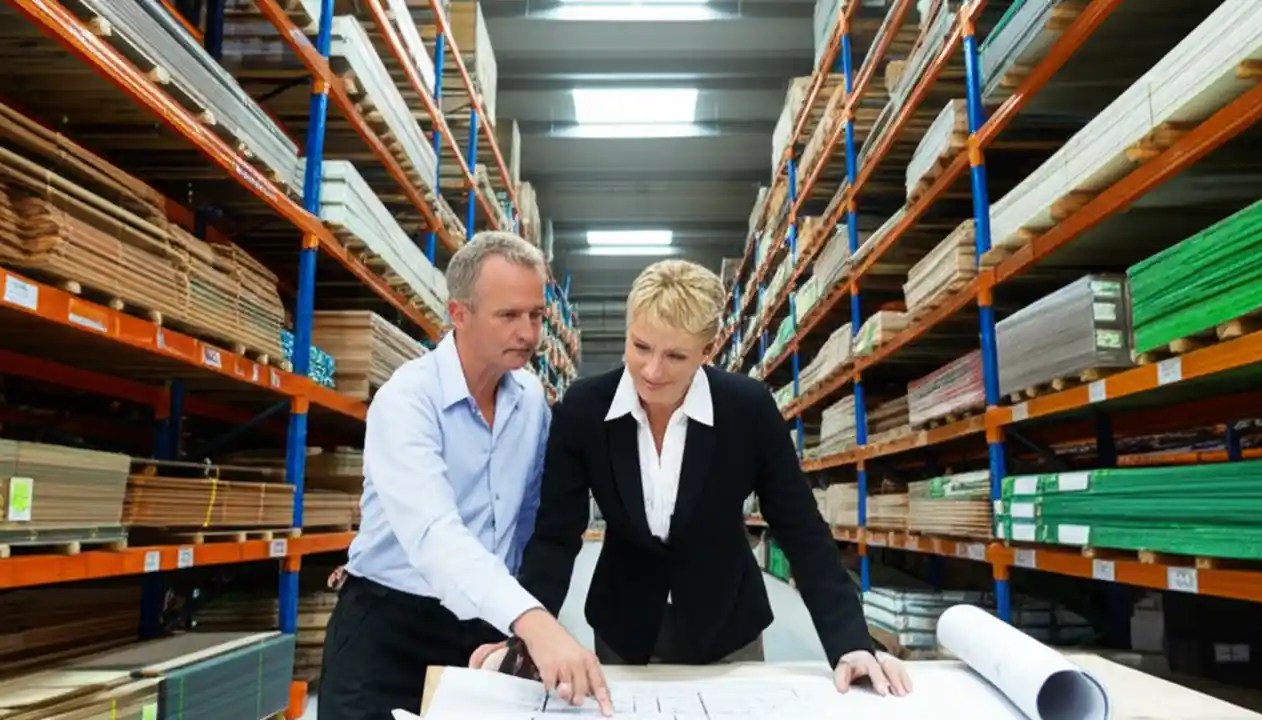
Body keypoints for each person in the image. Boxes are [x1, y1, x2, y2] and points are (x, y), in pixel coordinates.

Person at [473, 259, 911, 699]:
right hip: (623, 629)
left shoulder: (747, 409)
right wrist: (526, 630)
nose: (652, 371)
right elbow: (555, 536)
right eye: (640, 346)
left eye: (675, 355)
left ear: (709, 349)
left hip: (727, 630)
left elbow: (800, 529)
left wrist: (850, 642)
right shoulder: (585, 409)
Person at [318, 232, 612, 719]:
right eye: (509, 316)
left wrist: (513, 620)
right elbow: (434, 534)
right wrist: (532, 620)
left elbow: (529, 520)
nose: (529, 333)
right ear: (459, 314)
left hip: (485, 623)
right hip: (389, 626)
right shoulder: (408, 401)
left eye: (536, 315)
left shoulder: (531, 400)